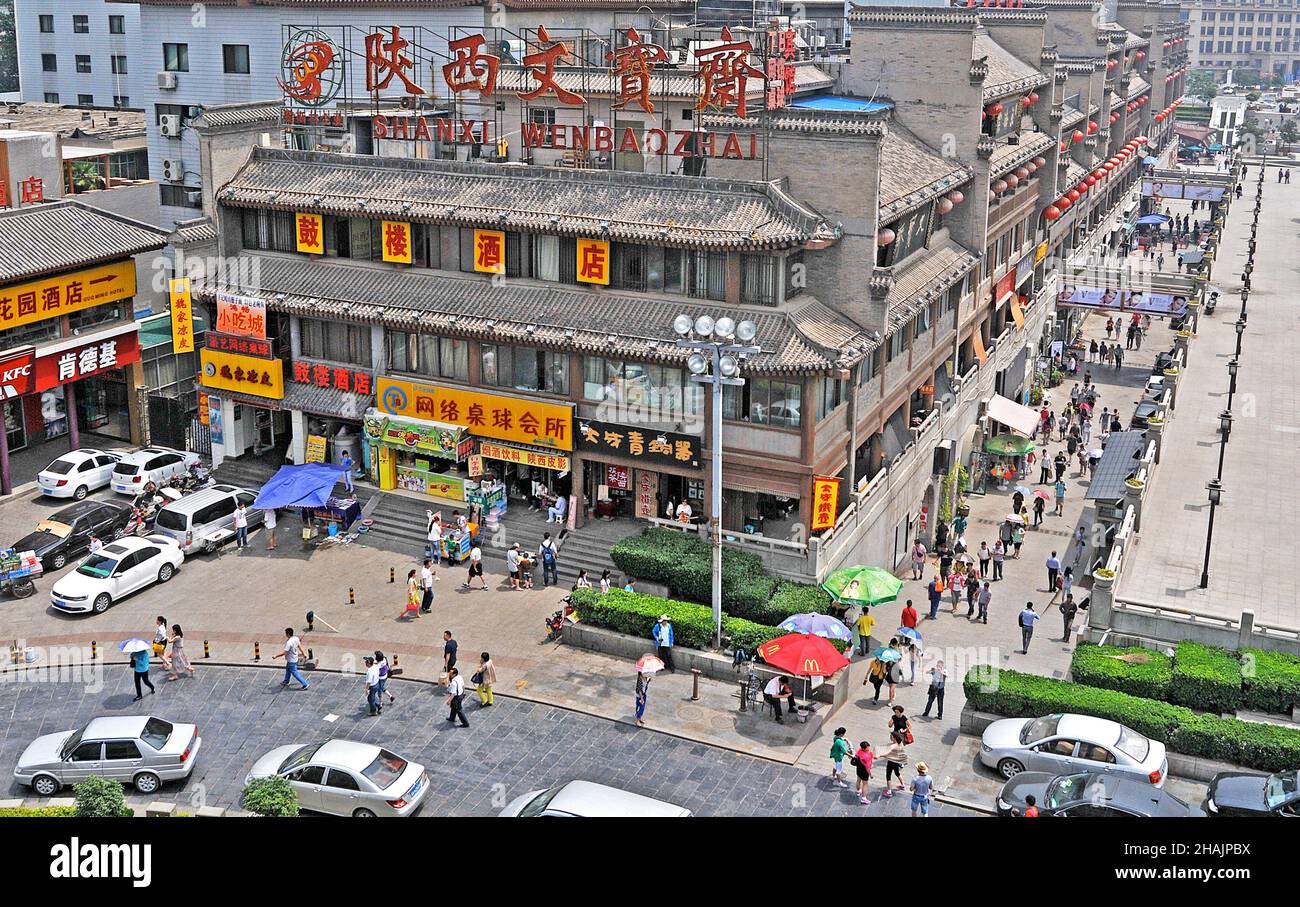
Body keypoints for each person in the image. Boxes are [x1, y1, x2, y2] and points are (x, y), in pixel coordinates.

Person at [880, 732, 908, 797]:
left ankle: (889, 791)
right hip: (897, 762)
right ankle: (903, 785)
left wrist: (879, 755)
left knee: (888, 776)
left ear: (894, 738)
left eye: (891, 736)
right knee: (897, 773)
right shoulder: (900, 743)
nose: (890, 737)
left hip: (891, 762)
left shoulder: (893, 746)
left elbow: (887, 754)